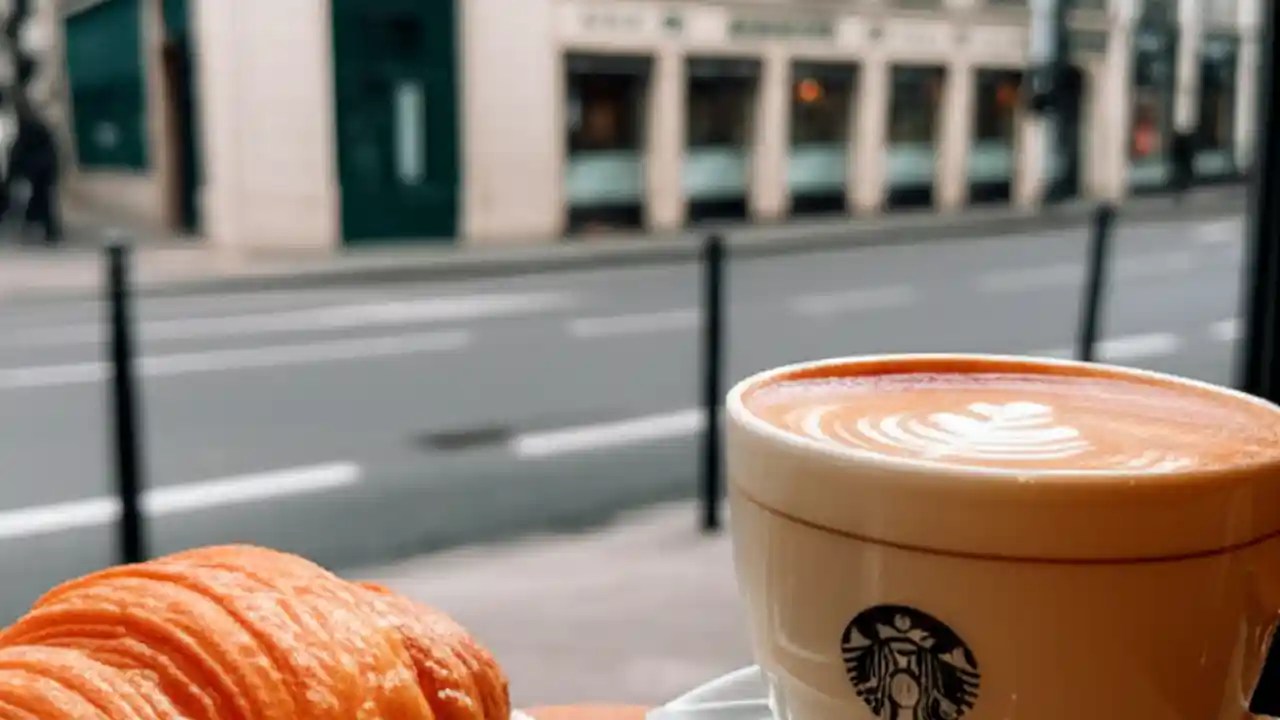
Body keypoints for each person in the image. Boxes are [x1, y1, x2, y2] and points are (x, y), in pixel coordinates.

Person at [9, 105, 61, 244]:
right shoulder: (38, 127)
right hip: (43, 169)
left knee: (39, 200)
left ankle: (46, 230)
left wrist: (15, 171)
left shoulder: (26, 129)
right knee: (43, 201)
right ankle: (49, 231)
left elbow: (18, 152)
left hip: (37, 170)